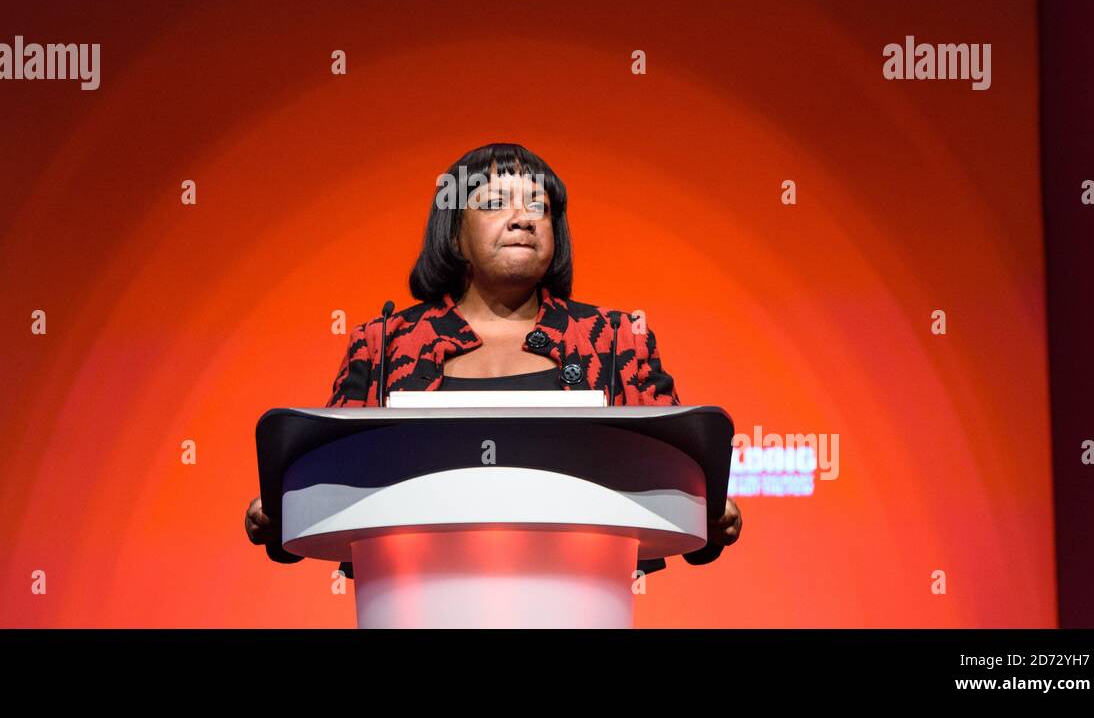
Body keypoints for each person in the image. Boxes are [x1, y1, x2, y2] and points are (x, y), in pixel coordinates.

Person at [245, 143, 742, 571]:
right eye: (496, 203)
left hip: (581, 590)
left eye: (538, 207)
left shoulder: (613, 339)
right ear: (455, 233)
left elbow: (682, 477)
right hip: (414, 592)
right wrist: (282, 506)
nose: (522, 218)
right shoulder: (384, 343)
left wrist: (711, 510)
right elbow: (329, 480)